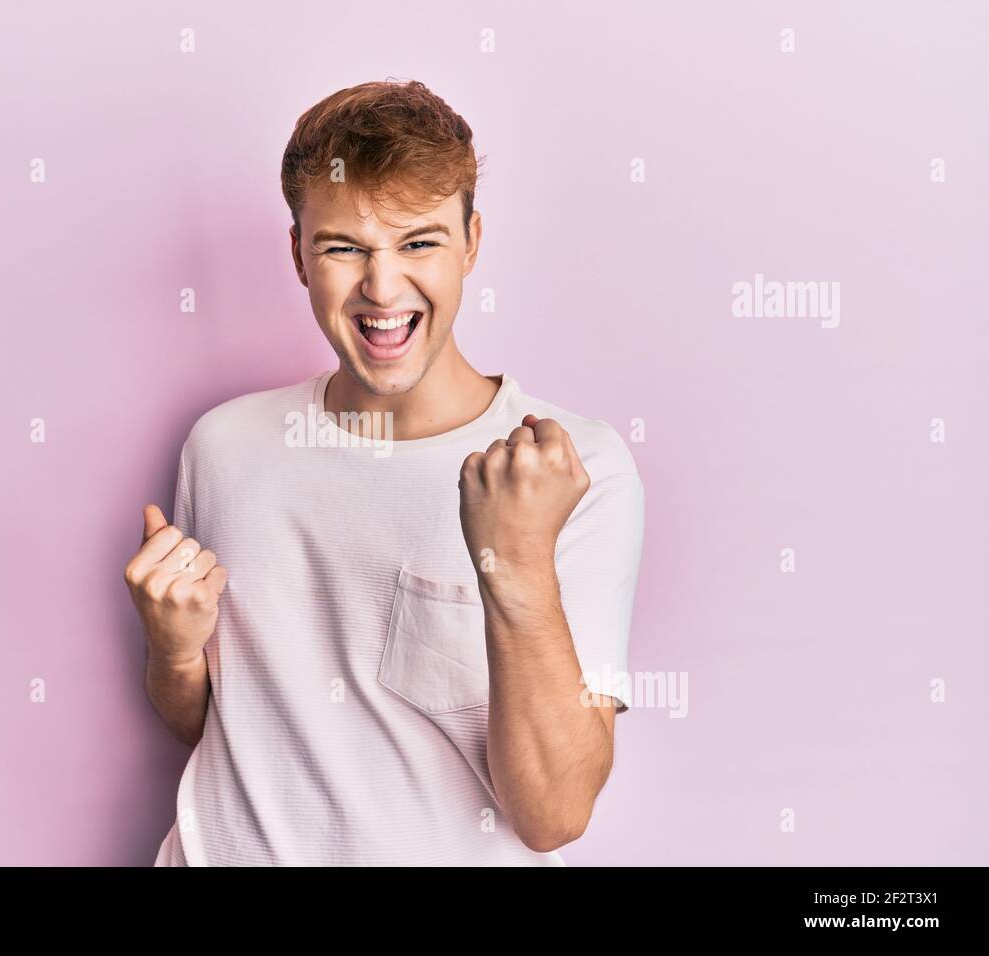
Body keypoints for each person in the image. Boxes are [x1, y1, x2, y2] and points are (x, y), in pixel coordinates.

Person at [127, 79, 646, 866]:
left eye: (420, 242)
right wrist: (171, 652)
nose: (382, 287)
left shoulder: (573, 467)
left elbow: (554, 814)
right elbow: (216, 722)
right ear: (298, 254)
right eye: (344, 247)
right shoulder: (223, 445)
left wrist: (518, 565)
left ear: (472, 242)